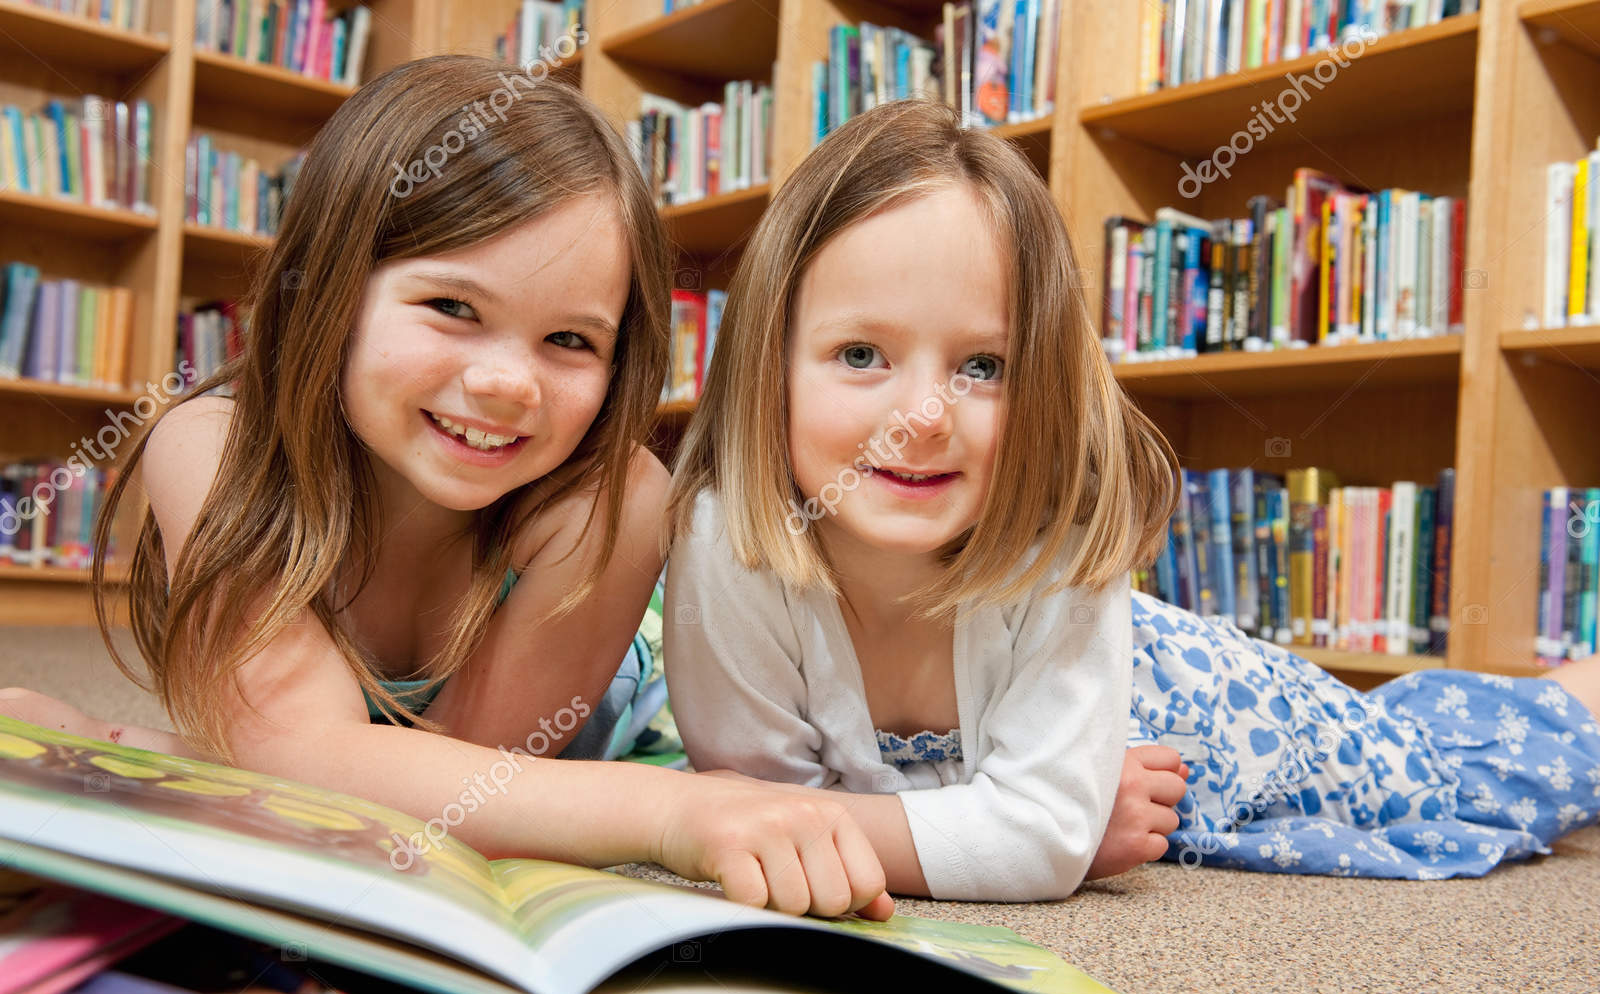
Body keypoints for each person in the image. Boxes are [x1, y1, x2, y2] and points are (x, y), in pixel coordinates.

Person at [0, 57, 890, 921]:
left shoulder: (614, 503)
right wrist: (671, 818)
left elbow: (457, 796)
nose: (508, 383)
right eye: (454, 308)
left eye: (570, 341)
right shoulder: (207, 445)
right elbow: (316, 758)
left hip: (625, 740)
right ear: (329, 289)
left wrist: (680, 806)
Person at [661, 98, 1600, 901]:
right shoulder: (724, 540)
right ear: (768, 364)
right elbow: (770, 824)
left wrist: (1039, 827)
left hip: (1219, 707)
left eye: (983, 366)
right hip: (1108, 745)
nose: (923, 416)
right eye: (861, 354)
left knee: (1466, 762)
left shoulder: (1057, 540)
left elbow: (941, 832)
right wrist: (1015, 817)